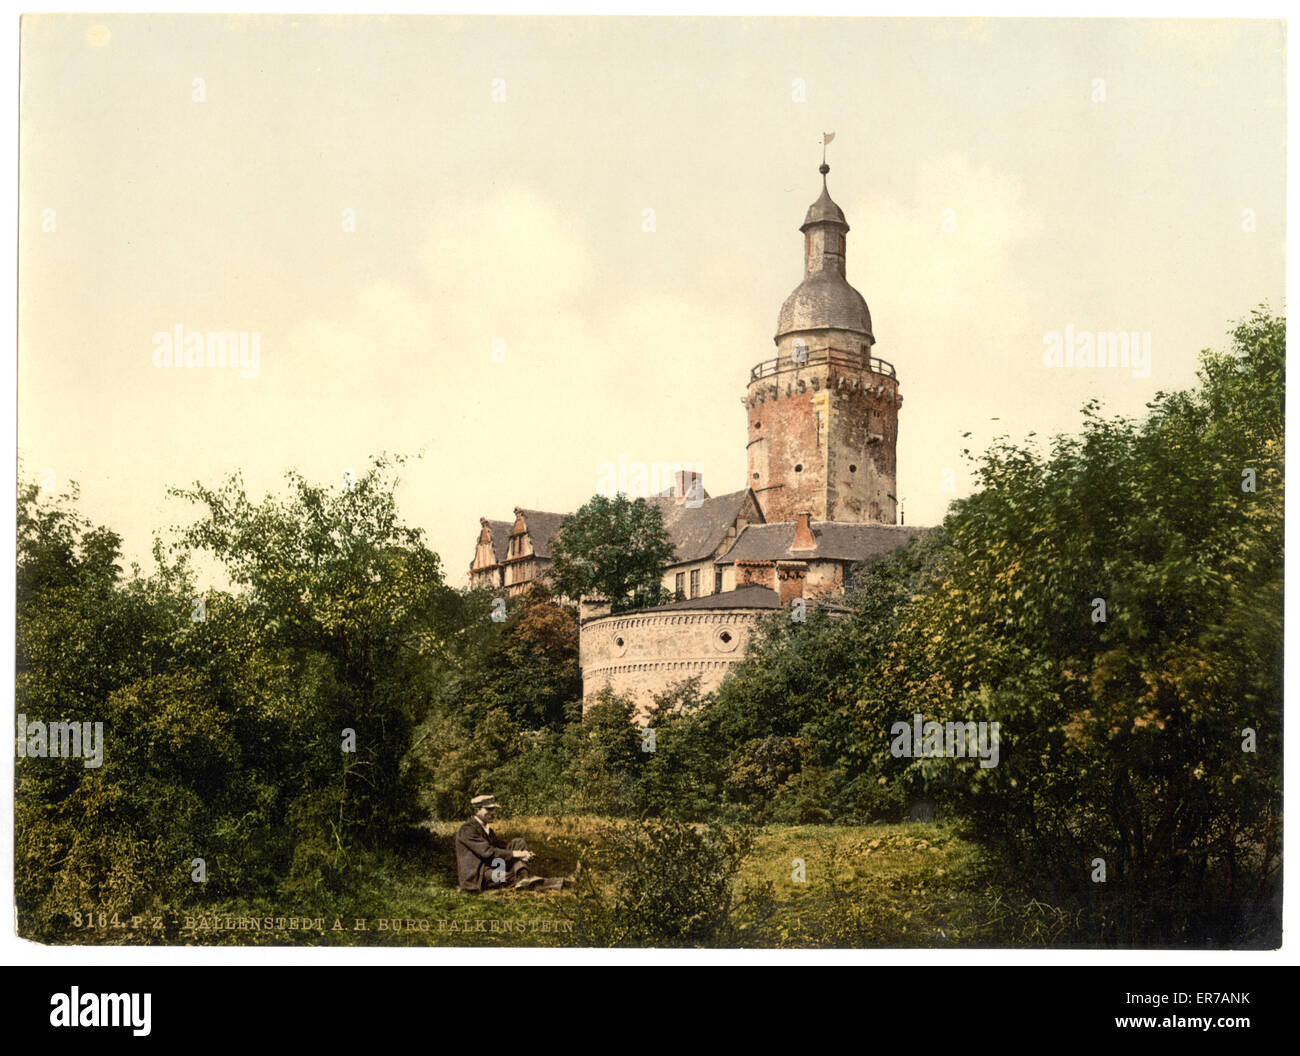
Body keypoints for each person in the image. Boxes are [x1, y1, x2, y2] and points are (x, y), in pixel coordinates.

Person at [454, 794, 542, 892]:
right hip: (479, 875)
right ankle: (552, 882)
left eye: (494, 809)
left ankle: (523, 878)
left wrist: (525, 854)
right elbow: (488, 852)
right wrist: (519, 854)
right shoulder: (467, 829)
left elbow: (501, 847)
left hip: (493, 866)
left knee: (518, 843)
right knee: (511, 877)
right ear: (476, 810)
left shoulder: (488, 830)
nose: (493, 813)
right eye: (489, 809)